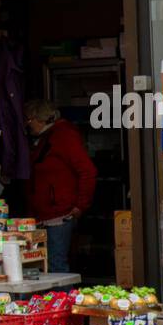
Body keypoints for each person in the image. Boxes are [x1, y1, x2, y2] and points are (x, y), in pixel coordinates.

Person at [23, 100, 95, 274]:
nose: (27, 124)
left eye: (29, 119)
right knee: (43, 266)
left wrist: (80, 205)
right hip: (45, 214)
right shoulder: (46, 137)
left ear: (40, 119)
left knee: (56, 266)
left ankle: (64, 300)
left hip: (60, 214)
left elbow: (87, 171)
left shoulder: (64, 136)